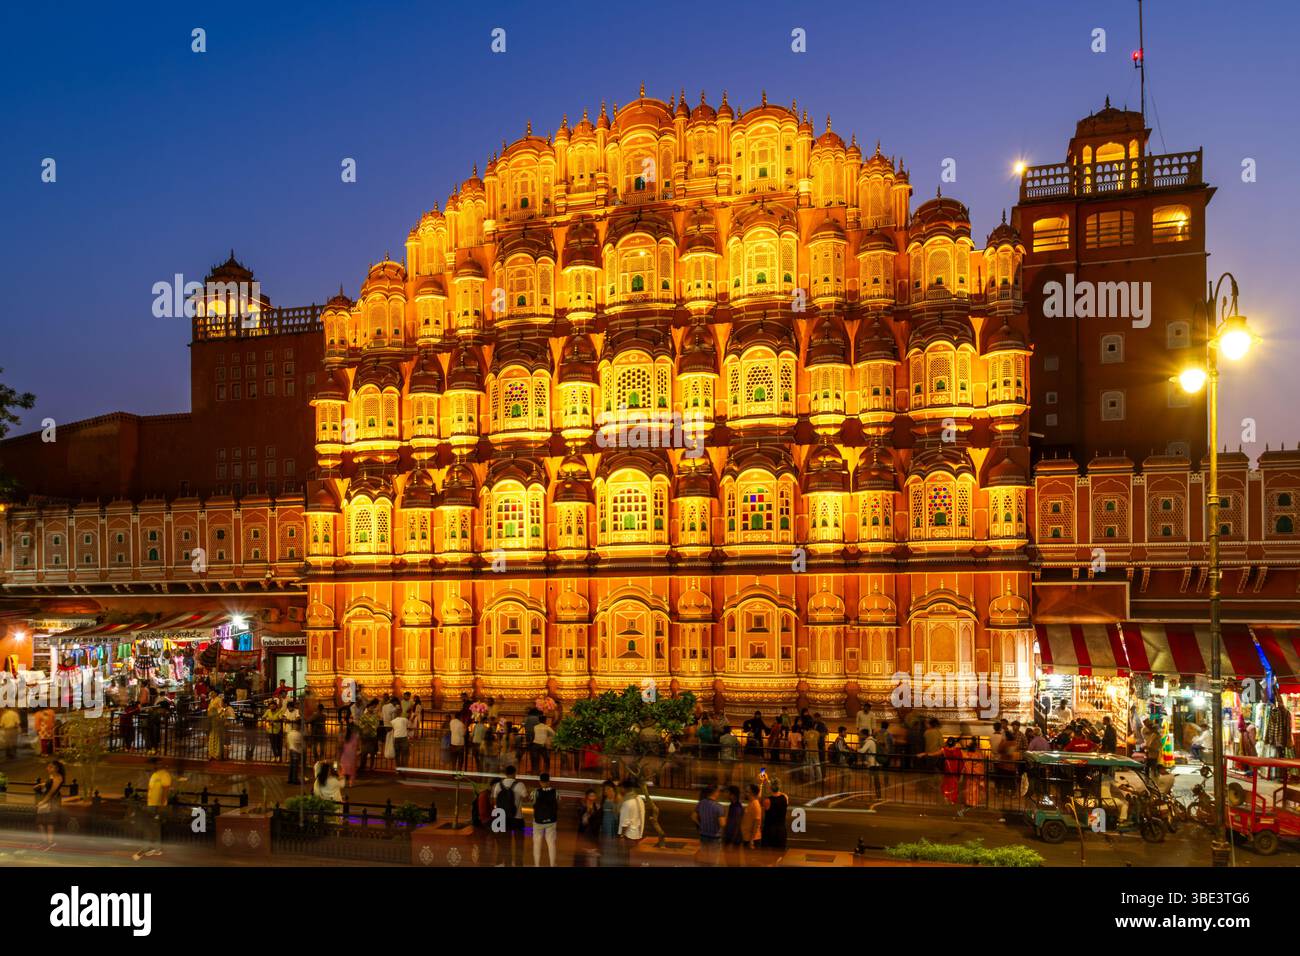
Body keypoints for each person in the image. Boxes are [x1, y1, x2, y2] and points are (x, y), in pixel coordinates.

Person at [134, 757, 171, 860]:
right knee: (153, 827)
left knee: (152, 826)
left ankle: (151, 848)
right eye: (155, 764)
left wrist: (161, 807)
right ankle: (155, 848)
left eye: (159, 764)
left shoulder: (164, 775)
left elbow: (165, 791)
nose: (156, 766)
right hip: (152, 805)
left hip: (157, 806)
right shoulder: (155, 775)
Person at [492, 766, 528, 867]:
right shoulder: (520, 785)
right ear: (514, 773)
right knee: (519, 843)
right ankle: (519, 863)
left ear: (505, 773)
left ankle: (507, 863)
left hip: (503, 818)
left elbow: (495, 801)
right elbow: (526, 798)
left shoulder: (498, 785)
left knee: (506, 844)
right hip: (517, 818)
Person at [531, 772, 560, 867]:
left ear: (540, 782)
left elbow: (532, 802)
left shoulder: (535, 792)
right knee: (551, 843)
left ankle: (537, 865)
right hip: (551, 820)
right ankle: (552, 864)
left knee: (537, 843)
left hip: (538, 821)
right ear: (549, 781)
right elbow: (558, 803)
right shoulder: (556, 792)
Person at [692, 784, 724, 865]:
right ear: (715, 792)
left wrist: (700, 824)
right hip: (715, 837)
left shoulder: (701, 803)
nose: (719, 793)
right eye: (718, 791)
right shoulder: (719, 807)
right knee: (713, 861)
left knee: (704, 860)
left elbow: (693, 816)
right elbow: (722, 823)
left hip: (703, 835)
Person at [36, 759, 64, 849]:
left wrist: (43, 801)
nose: (47, 768)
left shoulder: (58, 777)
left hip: (52, 802)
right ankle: (45, 841)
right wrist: (41, 785)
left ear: (56, 768)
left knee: (49, 823)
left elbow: (52, 791)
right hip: (47, 801)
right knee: (41, 822)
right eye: (48, 766)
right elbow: (48, 786)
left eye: (50, 767)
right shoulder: (52, 776)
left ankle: (50, 843)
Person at [617, 780, 646, 864]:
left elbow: (625, 822)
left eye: (620, 788)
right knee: (635, 859)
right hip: (638, 833)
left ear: (624, 788)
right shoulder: (639, 799)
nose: (619, 791)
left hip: (629, 835)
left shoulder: (627, 802)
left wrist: (622, 836)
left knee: (627, 859)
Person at [760, 777, 789, 850]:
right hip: (781, 829)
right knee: (779, 853)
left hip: (769, 829)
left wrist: (762, 784)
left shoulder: (767, 801)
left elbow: (759, 799)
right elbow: (780, 794)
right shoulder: (785, 797)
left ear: (770, 788)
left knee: (767, 854)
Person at [262, 697, 284, 761]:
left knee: (278, 744)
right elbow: (263, 717)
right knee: (273, 744)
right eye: (270, 706)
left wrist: (276, 720)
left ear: (276, 706)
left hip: (278, 730)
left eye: (273, 706)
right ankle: (275, 756)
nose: (272, 707)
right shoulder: (268, 711)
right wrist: (267, 719)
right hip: (270, 730)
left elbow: (280, 718)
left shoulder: (279, 711)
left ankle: (279, 756)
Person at [338, 721, 359, 789]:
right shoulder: (356, 736)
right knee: (352, 771)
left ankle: (342, 783)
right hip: (352, 756)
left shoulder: (345, 735)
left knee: (343, 771)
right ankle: (351, 783)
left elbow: (340, 743)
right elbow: (357, 746)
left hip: (344, 755)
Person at [206, 693, 226, 760]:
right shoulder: (212, 701)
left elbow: (220, 708)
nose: (211, 695)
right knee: (214, 741)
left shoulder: (218, 700)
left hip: (215, 728)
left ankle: (214, 754)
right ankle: (213, 754)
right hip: (214, 728)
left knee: (215, 741)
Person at [286, 719, 306, 784]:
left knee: (291, 765)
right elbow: (302, 744)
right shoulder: (298, 734)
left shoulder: (290, 733)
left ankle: (290, 779)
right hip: (297, 751)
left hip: (291, 750)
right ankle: (295, 779)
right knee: (295, 766)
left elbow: (287, 742)